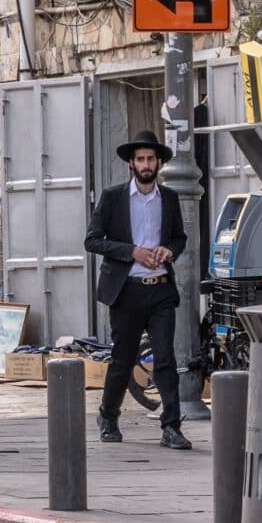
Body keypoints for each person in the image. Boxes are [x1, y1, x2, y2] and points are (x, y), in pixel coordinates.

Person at [84, 130, 192, 450]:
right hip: (126, 291)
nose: (146, 164)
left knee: (165, 358)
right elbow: (92, 240)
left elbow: (179, 238)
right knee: (123, 358)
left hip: (159, 288)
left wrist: (168, 251)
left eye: (151, 159)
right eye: (140, 159)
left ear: (159, 162)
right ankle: (108, 414)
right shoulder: (113, 197)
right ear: (131, 163)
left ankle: (171, 426)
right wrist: (132, 252)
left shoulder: (169, 198)